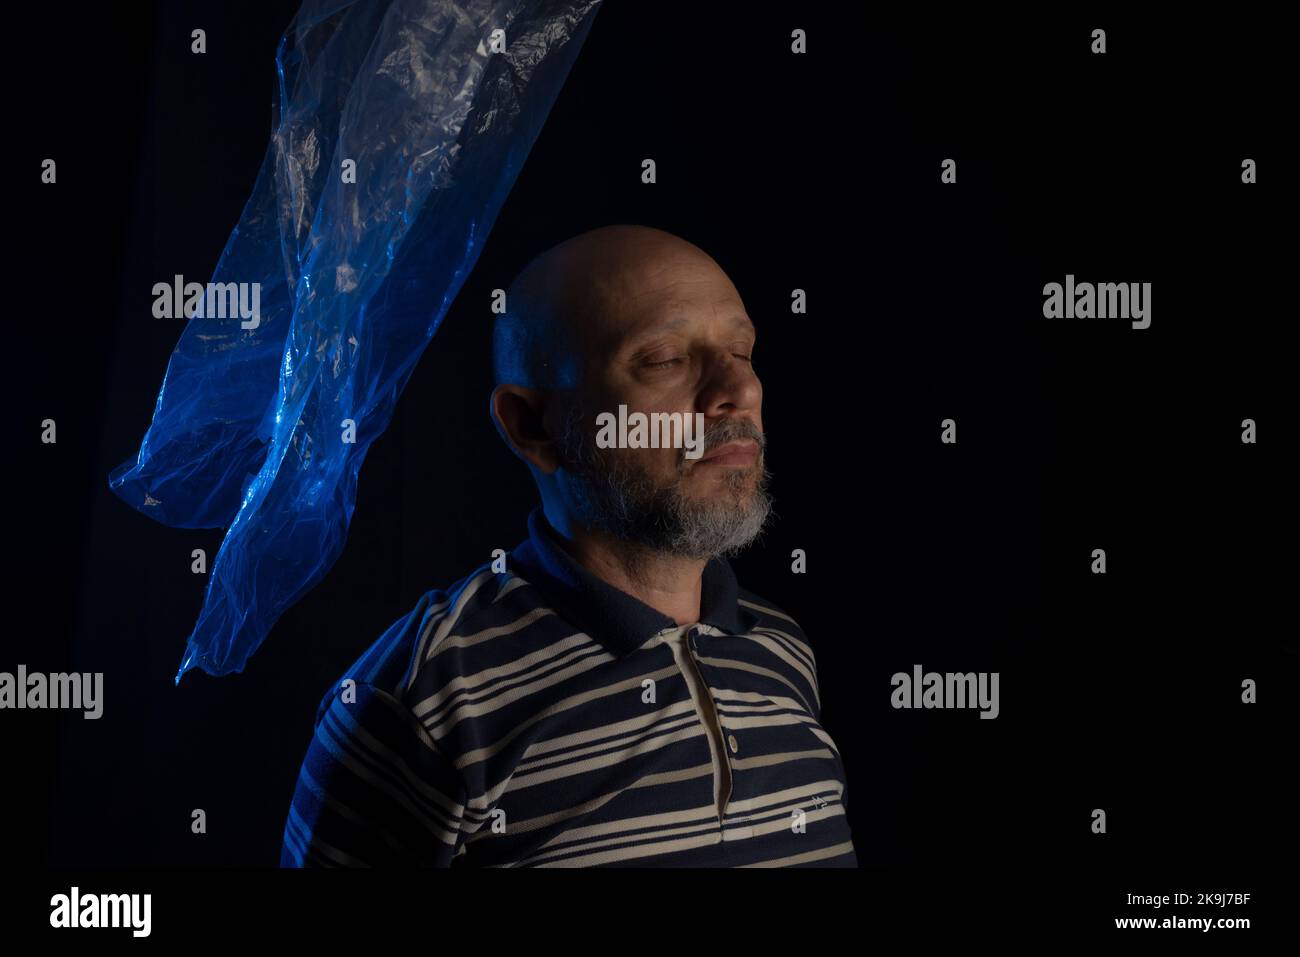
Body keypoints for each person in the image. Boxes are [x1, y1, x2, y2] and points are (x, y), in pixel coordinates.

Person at [280, 224, 857, 866]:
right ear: (533, 428)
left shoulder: (782, 650)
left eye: (743, 353)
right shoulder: (423, 699)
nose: (740, 390)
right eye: (665, 358)